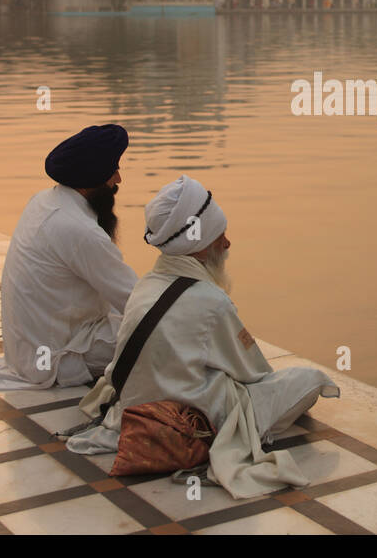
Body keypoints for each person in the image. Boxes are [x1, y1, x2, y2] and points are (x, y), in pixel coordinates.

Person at [67, 175, 339, 496]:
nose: (227, 244)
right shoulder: (211, 301)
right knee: (310, 380)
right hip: (190, 416)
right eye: (220, 236)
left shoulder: (146, 285)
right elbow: (252, 371)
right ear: (201, 246)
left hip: (132, 409)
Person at [0, 124, 138, 391]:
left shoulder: (43, 201)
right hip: (56, 357)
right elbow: (136, 298)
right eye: (112, 171)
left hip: (26, 352)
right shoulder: (79, 230)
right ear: (91, 180)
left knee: (144, 316)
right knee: (159, 331)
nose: (117, 179)